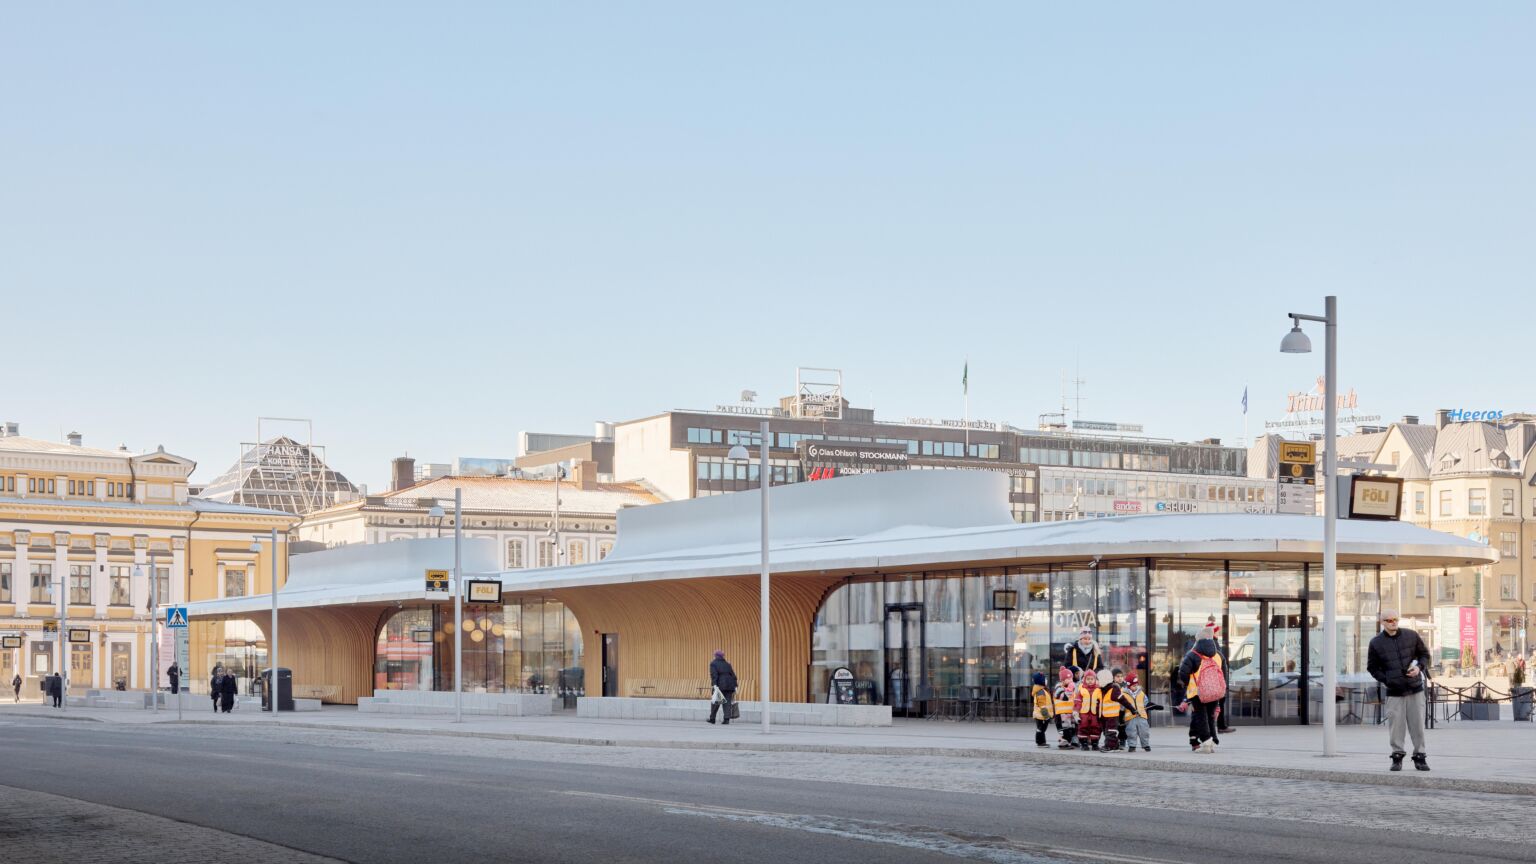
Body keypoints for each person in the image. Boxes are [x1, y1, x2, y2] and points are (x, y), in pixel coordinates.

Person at [1366, 608, 1431, 772]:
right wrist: (1387, 680)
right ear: (1382, 622)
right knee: (1396, 727)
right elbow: (1372, 668)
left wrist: (1419, 668)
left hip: (1415, 688)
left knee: (1418, 725)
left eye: (1395, 619)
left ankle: (1420, 757)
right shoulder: (1376, 643)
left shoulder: (1411, 635)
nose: (1393, 622)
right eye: (1389, 620)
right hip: (1394, 691)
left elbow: (1424, 654)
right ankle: (1397, 757)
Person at [1175, 624, 1225, 753]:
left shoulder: (1192, 654)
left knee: (1200, 717)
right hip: (1214, 691)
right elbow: (1224, 672)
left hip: (1197, 692)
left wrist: (1188, 683)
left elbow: (1183, 672)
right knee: (1210, 716)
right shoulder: (1218, 655)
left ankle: (1206, 742)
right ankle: (1212, 741)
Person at [1097, 668, 1136, 752]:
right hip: (1103, 716)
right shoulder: (1101, 690)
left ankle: (1109, 746)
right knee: (1106, 731)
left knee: (1111, 731)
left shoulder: (1113, 689)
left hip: (1112, 716)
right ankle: (1115, 745)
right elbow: (1098, 703)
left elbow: (1123, 700)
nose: (1097, 681)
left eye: (1099, 679)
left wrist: (1132, 709)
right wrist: (1097, 715)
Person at [1121, 672, 1156, 752]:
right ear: (1129, 686)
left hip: (1142, 717)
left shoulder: (1141, 693)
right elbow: (1122, 706)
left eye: (1136, 685)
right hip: (1130, 718)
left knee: (1144, 731)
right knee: (1131, 732)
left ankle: (1145, 744)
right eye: (1133, 686)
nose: (1135, 687)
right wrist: (1120, 716)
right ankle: (1132, 745)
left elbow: (1146, 703)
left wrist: (1151, 705)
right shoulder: (1124, 694)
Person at [1073, 668, 1103, 750]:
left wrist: (1101, 712)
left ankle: (1095, 744)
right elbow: (1077, 702)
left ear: (1095, 679)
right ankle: (1084, 744)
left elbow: (1101, 702)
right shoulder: (1081, 690)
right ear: (1084, 679)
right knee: (1083, 727)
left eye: (1092, 679)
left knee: (1096, 728)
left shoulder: (1098, 690)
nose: (1090, 681)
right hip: (1084, 714)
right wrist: (1076, 712)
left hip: (1095, 714)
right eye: (1088, 679)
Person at [707, 650, 737, 725]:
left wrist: (714, 684)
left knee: (715, 702)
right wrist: (735, 685)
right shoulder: (727, 664)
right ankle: (726, 719)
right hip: (730, 685)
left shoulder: (713, 664)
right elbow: (733, 675)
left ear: (716, 656)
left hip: (720, 684)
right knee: (727, 702)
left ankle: (712, 719)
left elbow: (714, 675)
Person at [1053, 666, 1078, 749]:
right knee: (1064, 729)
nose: (1070, 681)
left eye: (1071, 678)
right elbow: (1063, 697)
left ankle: (1070, 742)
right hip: (1061, 714)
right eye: (1068, 679)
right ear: (1062, 680)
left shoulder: (1070, 688)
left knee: (1071, 728)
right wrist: (1069, 690)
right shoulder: (1059, 688)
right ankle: (1063, 743)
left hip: (1069, 713)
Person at [1029, 672, 1054, 747]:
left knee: (1042, 729)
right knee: (1041, 728)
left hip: (1041, 715)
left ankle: (1042, 742)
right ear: (1041, 681)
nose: (1046, 680)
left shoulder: (1042, 690)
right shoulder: (1040, 691)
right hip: (1042, 715)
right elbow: (1042, 705)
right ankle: (1040, 742)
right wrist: (1046, 716)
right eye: (1045, 679)